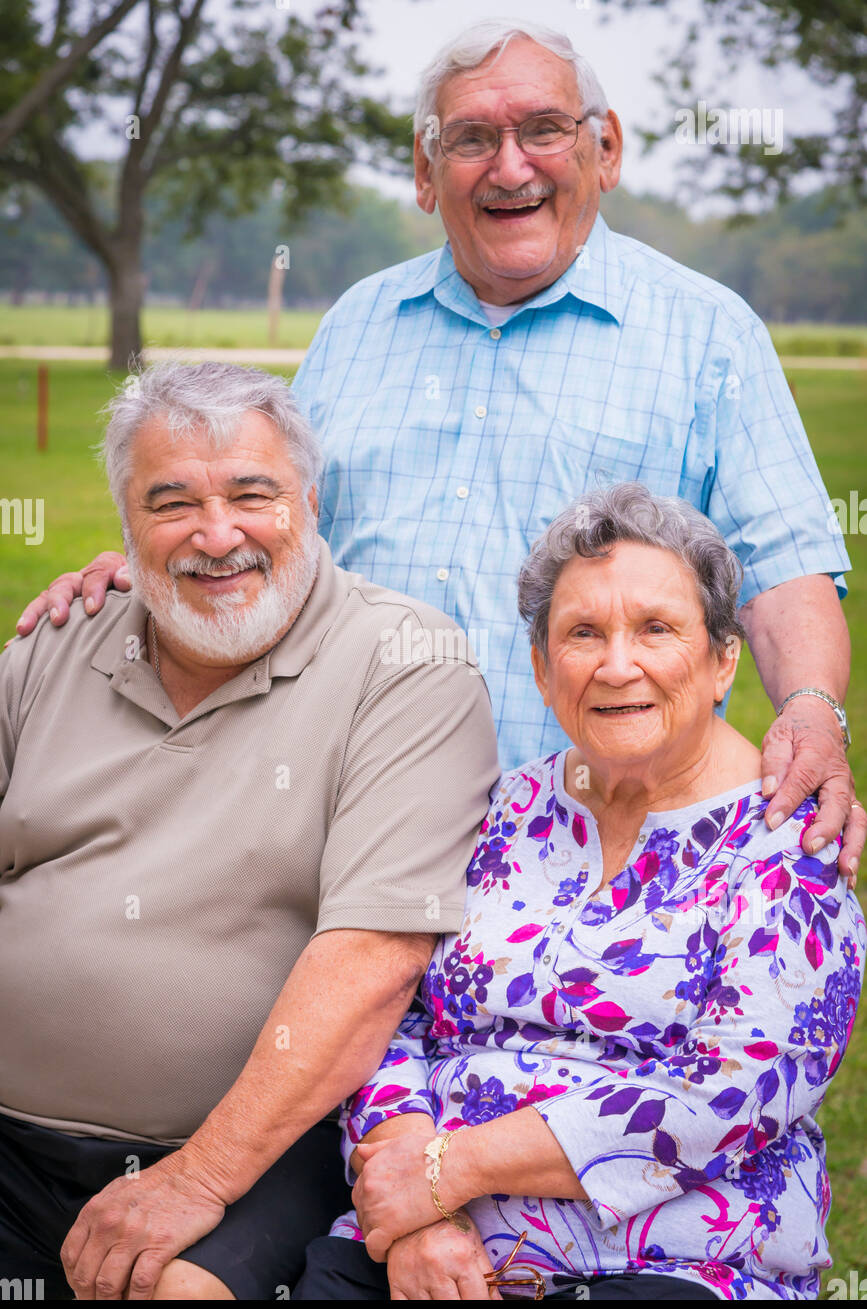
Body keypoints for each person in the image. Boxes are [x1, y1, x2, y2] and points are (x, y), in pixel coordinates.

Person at [15, 20, 863, 883]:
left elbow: (783, 567)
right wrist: (155, 580)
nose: (509, 166)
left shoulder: (708, 334)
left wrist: (809, 708)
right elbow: (274, 538)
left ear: (603, 150)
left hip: (591, 852)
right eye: (470, 139)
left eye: (542, 129)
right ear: (426, 172)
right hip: (340, 828)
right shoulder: (355, 325)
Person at [0, 361, 499, 1301]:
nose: (216, 534)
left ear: (309, 501)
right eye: (172, 501)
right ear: (127, 526)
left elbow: (373, 959)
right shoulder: (60, 641)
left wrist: (192, 1180)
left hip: (238, 1152)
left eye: (251, 494)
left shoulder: (407, 667)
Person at [293, 485, 864, 1302]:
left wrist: (447, 1170)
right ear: (540, 666)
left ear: (721, 659)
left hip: (673, 1270)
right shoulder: (497, 810)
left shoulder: (789, 847)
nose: (616, 664)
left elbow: (723, 1099)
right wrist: (418, 1217)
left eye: (656, 629)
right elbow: (388, 1014)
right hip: (428, 1250)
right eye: (582, 634)